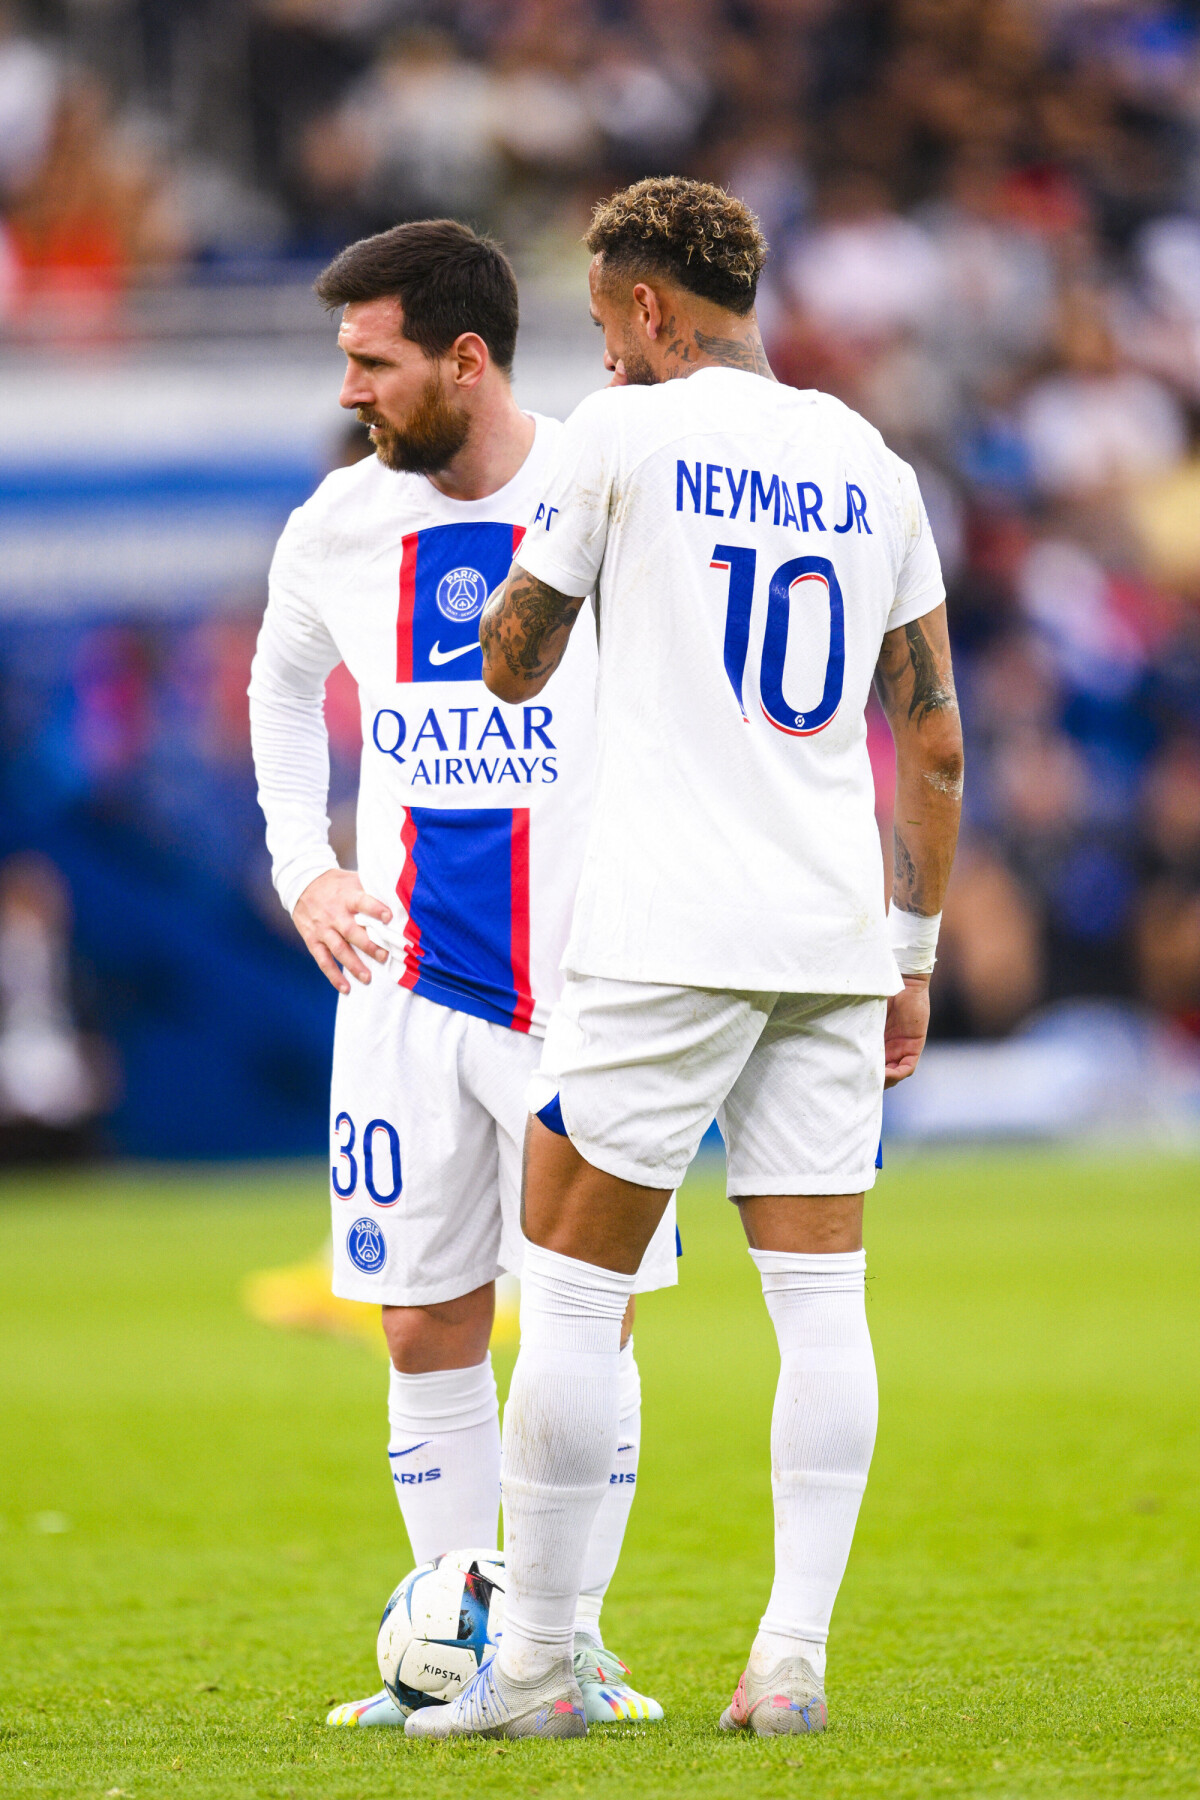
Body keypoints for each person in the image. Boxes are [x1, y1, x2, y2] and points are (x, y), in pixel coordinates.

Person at [407, 176, 963, 1742]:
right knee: (822, 1297)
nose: (601, 352)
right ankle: (790, 1661)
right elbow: (932, 744)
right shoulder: (868, 459)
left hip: (666, 936)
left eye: (600, 324)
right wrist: (910, 952)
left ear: (647, 309)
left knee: (572, 1291)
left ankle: (533, 1674)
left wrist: (557, 527)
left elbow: (512, 669)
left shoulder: (616, 435)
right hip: (834, 934)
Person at [248, 218, 677, 1729]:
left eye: (374, 361)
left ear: (465, 358)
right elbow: (283, 682)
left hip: (591, 991)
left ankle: (570, 1647)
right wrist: (303, 861)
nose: (354, 390)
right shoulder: (339, 526)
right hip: (406, 991)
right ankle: (459, 1631)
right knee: (423, 1319)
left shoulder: (607, 490)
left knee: (585, 1320)